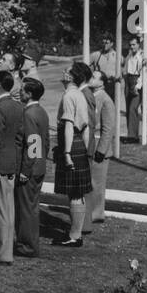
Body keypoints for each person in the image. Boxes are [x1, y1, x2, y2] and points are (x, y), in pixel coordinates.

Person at [52, 61, 92, 247]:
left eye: (67, 71)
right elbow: (86, 128)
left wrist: (67, 152)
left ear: (72, 77)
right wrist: (82, 150)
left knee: (75, 193)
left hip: (70, 145)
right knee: (77, 192)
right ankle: (75, 233)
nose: (63, 72)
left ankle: (75, 236)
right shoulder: (79, 95)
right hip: (78, 146)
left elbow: (68, 124)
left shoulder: (69, 95)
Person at [0, 69, 25, 265]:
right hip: (12, 163)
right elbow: (19, 139)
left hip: (0, 164)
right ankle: (5, 248)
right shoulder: (18, 106)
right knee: (8, 209)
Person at [14, 77, 49, 257]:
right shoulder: (41, 112)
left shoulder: (28, 114)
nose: (19, 92)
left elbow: (31, 144)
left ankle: (27, 246)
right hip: (40, 166)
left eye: (22, 90)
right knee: (32, 208)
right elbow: (45, 142)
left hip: (30, 169)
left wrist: (25, 171)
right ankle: (29, 243)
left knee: (26, 209)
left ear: (29, 94)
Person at [84, 67, 115, 231]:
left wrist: (101, 150)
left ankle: (97, 213)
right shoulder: (90, 96)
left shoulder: (106, 100)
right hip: (89, 146)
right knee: (90, 181)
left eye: (95, 77)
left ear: (102, 83)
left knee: (97, 183)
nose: (91, 79)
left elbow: (108, 128)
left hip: (98, 149)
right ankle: (89, 212)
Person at [122, 36, 145, 141]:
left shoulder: (142, 56)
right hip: (128, 81)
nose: (132, 47)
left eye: (134, 44)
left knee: (133, 108)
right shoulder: (129, 55)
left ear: (138, 44)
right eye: (130, 45)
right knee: (128, 109)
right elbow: (125, 69)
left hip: (137, 82)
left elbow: (145, 73)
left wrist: (137, 86)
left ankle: (133, 136)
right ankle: (131, 134)